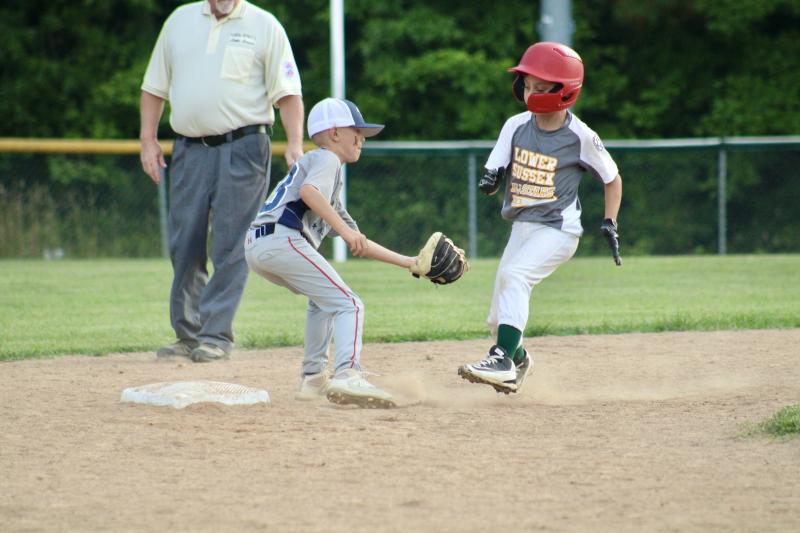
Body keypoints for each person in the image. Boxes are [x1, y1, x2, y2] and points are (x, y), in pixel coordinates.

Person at [139, 0, 304, 362]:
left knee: (231, 243)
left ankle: (215, 336)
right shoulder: (180, 21)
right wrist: (148, 140)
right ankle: (187, 334)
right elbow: (154, 87)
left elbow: (288, 94)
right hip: (189, 148)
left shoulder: (265, 25)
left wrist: (294, 144)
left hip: (244, 145)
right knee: (185, 242)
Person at [458, 41, 623, 394]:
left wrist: (610, 221)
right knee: (496, 317)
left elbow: (612, 178)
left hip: (558, 230)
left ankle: (501, 358)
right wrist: (491, 178)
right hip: (521, 228)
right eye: (527, 85)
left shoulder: (580, 136)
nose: (531, 92)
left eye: (540, 86)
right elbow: (495, 165)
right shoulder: (516, 125)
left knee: (516, 277)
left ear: (565, 91)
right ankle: (518, 360)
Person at [244, 97, 422, 408]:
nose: (362, 139)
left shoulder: (328, 181)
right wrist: (344, 230)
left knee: (323, 302)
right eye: (357, 131)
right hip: (282, 240)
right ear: (335, 133)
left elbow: (359, 242)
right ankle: (347, 374)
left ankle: (313, 379)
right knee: (350, 304)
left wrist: (410, 263)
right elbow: (308, 193)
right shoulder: (326, 159)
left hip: (259, 245)